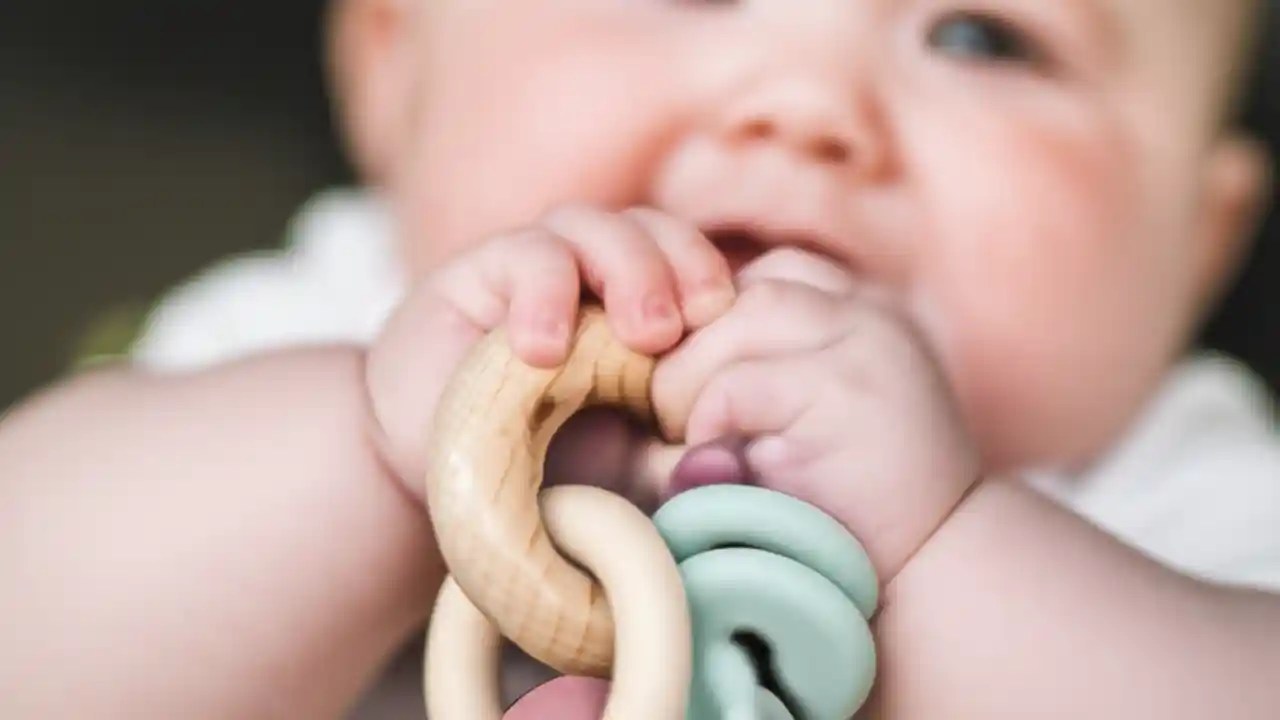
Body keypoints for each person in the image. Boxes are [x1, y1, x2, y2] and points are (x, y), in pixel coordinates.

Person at [2, 0, 1278, 717]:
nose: (805, 105)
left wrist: (935, 548)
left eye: (981, 38)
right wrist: (381, 455)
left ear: (1196, 241)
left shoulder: (1166, 485)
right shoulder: (327, 323)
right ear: (394, 68)